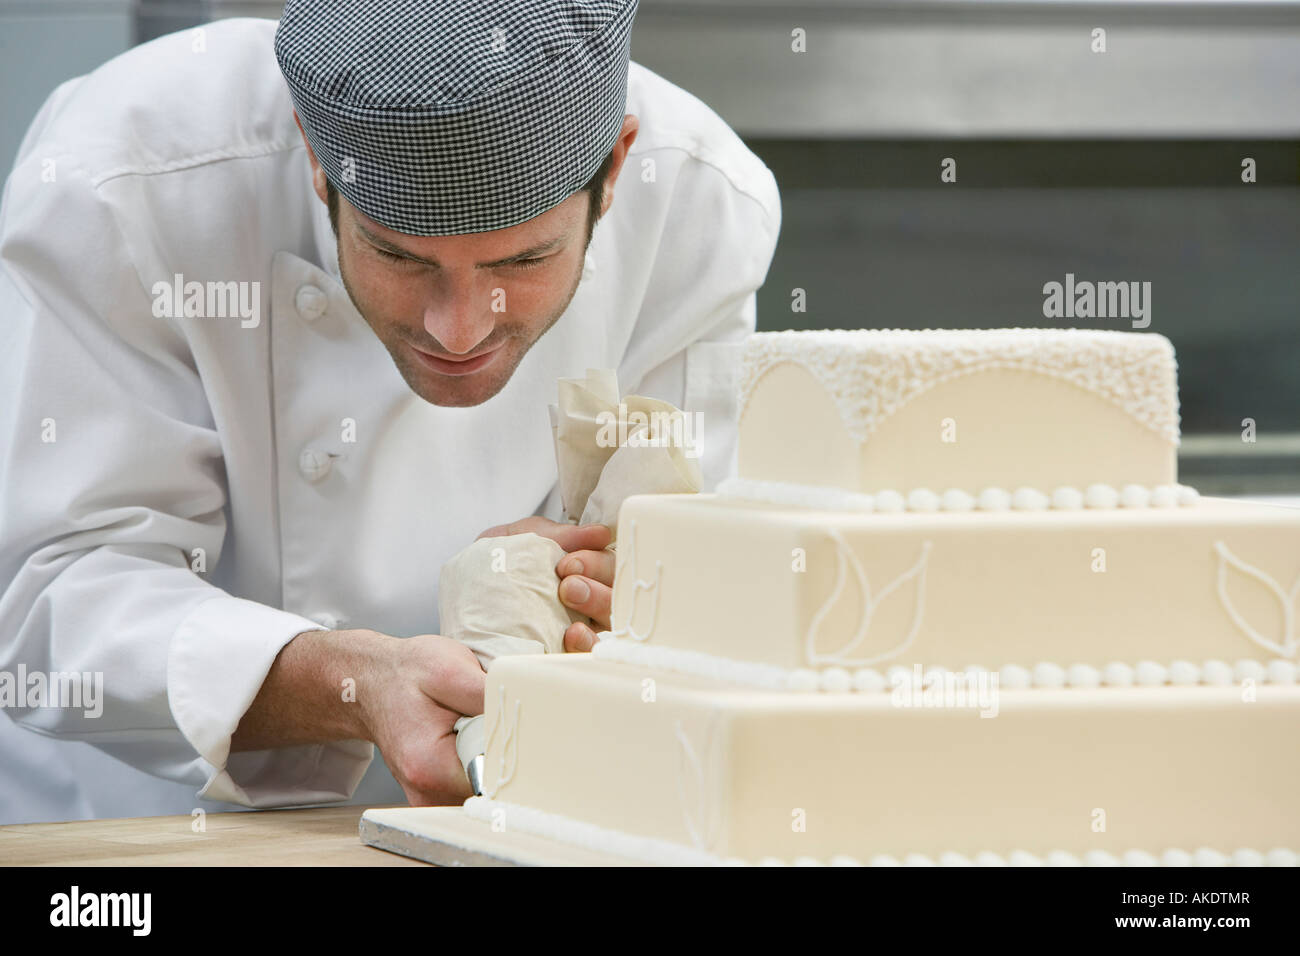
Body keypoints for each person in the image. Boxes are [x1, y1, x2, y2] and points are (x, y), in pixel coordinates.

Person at [0, 1, 780, 824]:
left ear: (615, 168)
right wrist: (355, 683)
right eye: (399, 255)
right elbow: (51, 595)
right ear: (313, 155)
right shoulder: (130, 180)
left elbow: (701, 578)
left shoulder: (696, 204)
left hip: (515, 824)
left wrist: (629, 600)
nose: (460, 327)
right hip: (148, 828)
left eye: (525, 257)